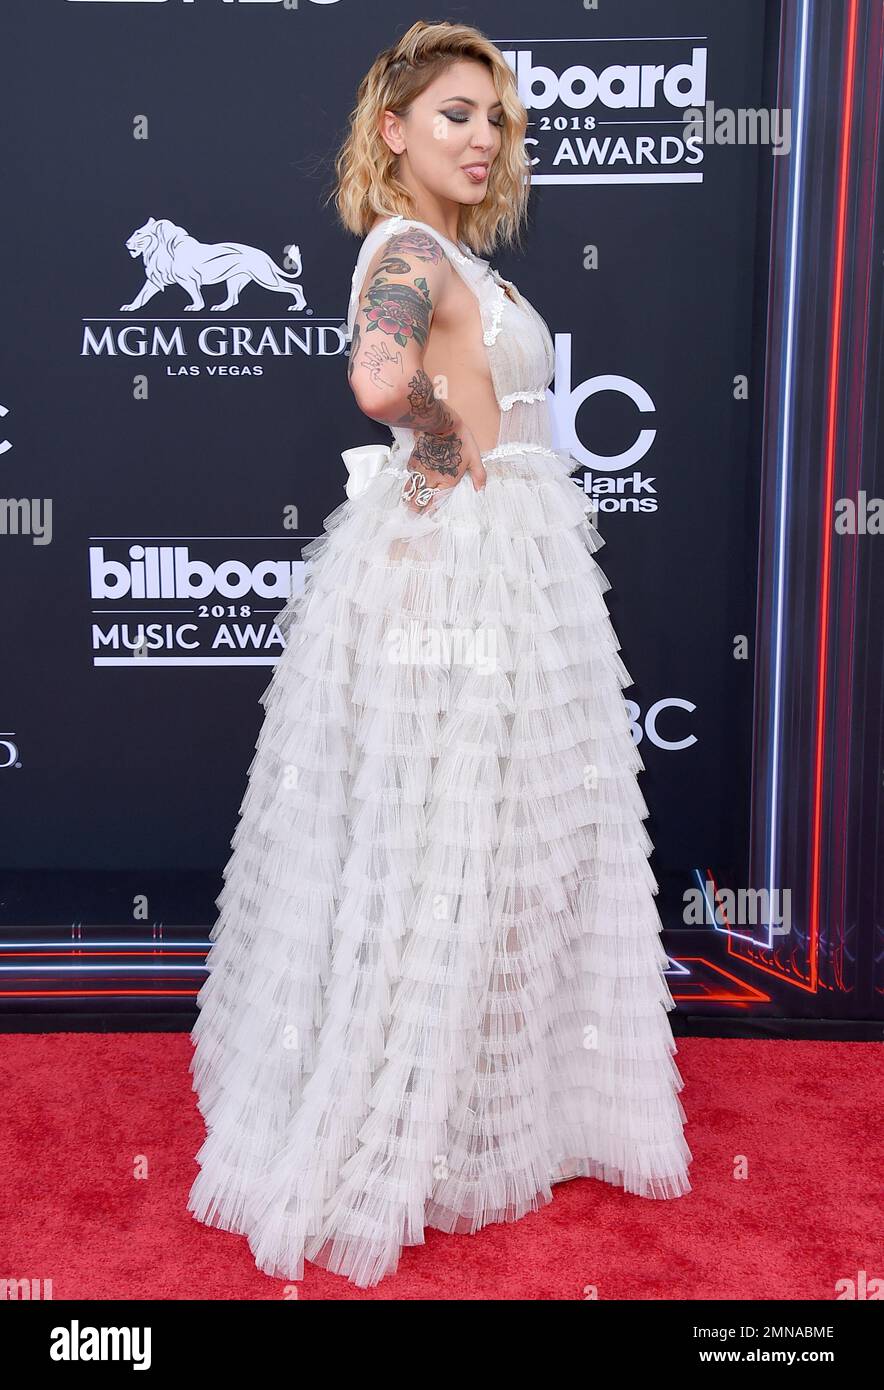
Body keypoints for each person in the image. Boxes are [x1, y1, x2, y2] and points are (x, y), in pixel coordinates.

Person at [187, 18, 692, 1290]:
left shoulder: (456, 253)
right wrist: (447, 450)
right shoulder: (405, 250)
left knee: (493, 836)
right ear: (393, 131)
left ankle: (476, 1107)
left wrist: (461, 455)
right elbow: (376, 382)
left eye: (495, 120)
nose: (480, 138)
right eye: (454, 115)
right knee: (441, 837)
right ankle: (396, 1122)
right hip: (455, 564)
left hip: (497, 561)